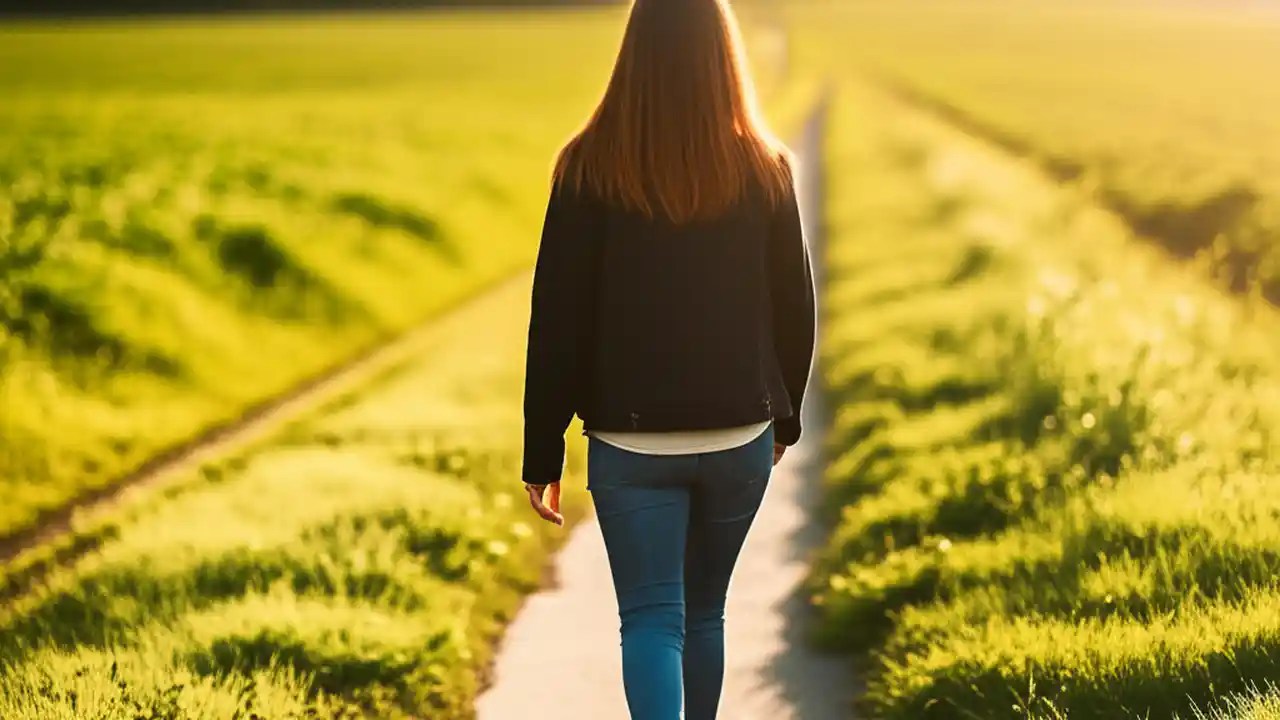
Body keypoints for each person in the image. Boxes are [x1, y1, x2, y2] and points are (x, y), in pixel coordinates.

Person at [519, 0, 815, 717]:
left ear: (633, 56)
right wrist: (785, 420)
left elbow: (555, 321)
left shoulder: (585, 168)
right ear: (724, 56)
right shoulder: (766, 167)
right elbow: (795, 309)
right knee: (705, 613)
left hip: (628, 438)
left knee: (652, 619)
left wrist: (542, 453)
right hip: (736, 434)